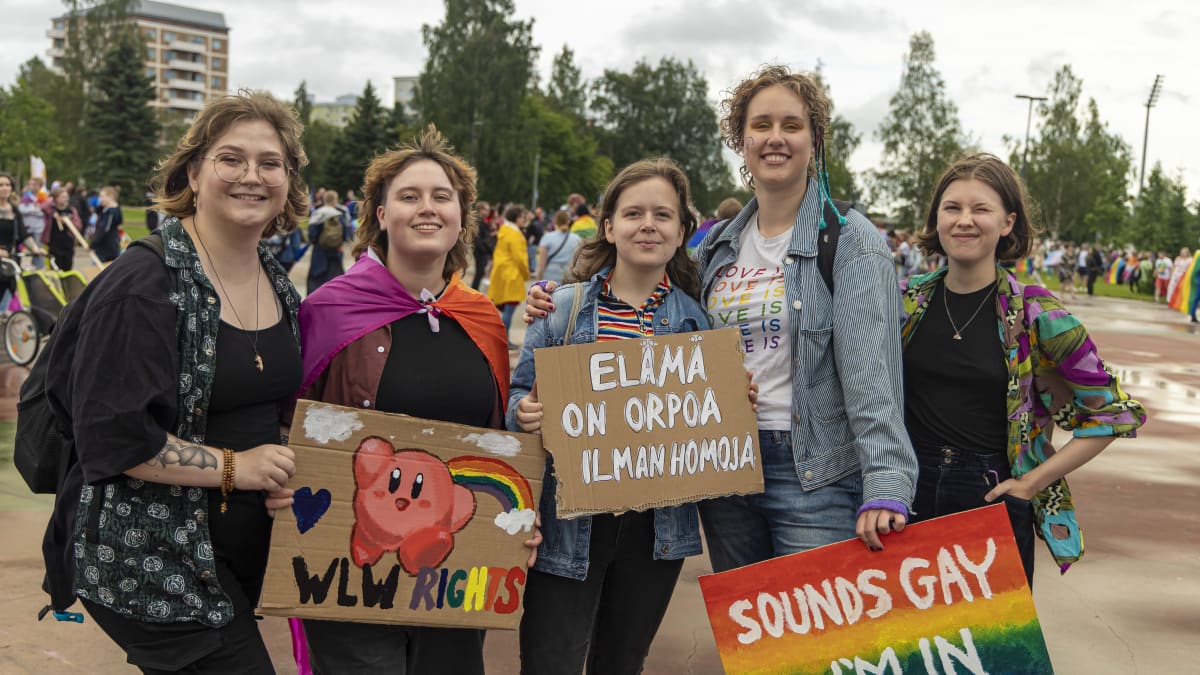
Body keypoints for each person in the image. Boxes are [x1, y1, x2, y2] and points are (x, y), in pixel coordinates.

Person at [525, 65, 917, 571]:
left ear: (815, 140)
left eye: (792, 126)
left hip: (813, 472)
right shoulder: (717, 245)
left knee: (813, 645)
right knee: (751, 639)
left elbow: (875, 377)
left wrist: (886, 481)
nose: (775, 138)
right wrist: (556, 298)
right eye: (761, 125)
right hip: (724, 465)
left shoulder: (850, 240)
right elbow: (648, 298)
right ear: (741, 139)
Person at [42, 91, 308, 673]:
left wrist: (287, 464)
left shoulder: (277, 280)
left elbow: (267, 406)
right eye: (231, 158)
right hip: (150, 560)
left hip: (224, 558)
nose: (252, 176)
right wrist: (240, 467)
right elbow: (114, 440)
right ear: (193, 170)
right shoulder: (144, 284)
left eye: (271, 163)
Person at [285, 125, 540, 675]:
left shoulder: (483, 320)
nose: (427, 209)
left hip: (451, 578)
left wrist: (514, 515)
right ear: (380, 215)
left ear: (460, 218)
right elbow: (289, 422)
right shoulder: (329, 311)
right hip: (352, 578)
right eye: (408, 196)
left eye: (441, 197)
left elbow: (497, 447)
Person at [508, 158, 718, 674]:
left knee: (621, 663)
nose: (648, 224)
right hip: (568, 520)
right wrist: (524, 411)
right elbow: (516, 400)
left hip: (656, 528)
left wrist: (732, 402)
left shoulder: (699, 324)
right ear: (608, 226)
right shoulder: (560, 310)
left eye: (663, 215)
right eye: (634, 213)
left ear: (682, 231)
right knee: (549, 661)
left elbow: (708, 423)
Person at [900, 154, 1146, 586]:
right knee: (902, 648)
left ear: (1008, 222)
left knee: (990, 651)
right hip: (904, 491)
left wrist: (1031, 483)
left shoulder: (1038, 314)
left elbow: (1112, 414)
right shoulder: (903, 303)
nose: (965, 221)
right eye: (952, 207)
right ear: (936, 218)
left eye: (981, 209)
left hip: (990, 493)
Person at [487, 203, 530, 348]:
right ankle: (504, 340)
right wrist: (526, 273)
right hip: (512, 274)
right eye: (523, 217)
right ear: (517, 218)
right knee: (509, 310)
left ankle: (500, 338)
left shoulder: (504, 231)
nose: (524, 220)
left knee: (505, 309)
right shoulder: (516, 234)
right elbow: (519, 258)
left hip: (501, 272)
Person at [306, 189, 350, 294]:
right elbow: (346, 235)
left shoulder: (317, 213)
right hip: (336, 252)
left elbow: (312, 235)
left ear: (324, 199)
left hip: (319, 252)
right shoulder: (340, 214)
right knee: (335, 282)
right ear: (335, 200)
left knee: (316, 282)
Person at [42, 186, 83, 270]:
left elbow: (78, 225)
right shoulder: (51, 210)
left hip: (68, 243)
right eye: (63, 197)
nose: (66, 199)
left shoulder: (71, 210)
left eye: (67, 197)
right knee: (56, 268)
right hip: (54, 244)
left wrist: (67, 222)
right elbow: (43, 206)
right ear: (56, 198)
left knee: (68, 267)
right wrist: (51, 199)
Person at [534, 209, 580, 284]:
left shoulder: (547, 237)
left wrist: (539, 279)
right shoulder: (576, 238)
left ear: (554, 222)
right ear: (568, 221)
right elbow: (578, 261)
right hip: (568, 275)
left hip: (550, 275)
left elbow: (541, 263)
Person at [89, 186, 123, 262]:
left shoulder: (111, 212)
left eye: (102, 196)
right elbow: (97, 211)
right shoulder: (106, 208)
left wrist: (92, 244)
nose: (100, 199)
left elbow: (104, 229)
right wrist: (101, 204)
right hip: (103, 247)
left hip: (107, 249)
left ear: (110, 196)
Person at [470, 201, 495, 290]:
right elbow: (477, 239)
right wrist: (485, 249)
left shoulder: (482, 221)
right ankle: (473, 290)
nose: (488, 212)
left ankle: (474, 290)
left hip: (482, 250)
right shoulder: (478, 221)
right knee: (479, 272)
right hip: (480, 251)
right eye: (486, 210)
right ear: (481, 210)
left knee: (480, 272)